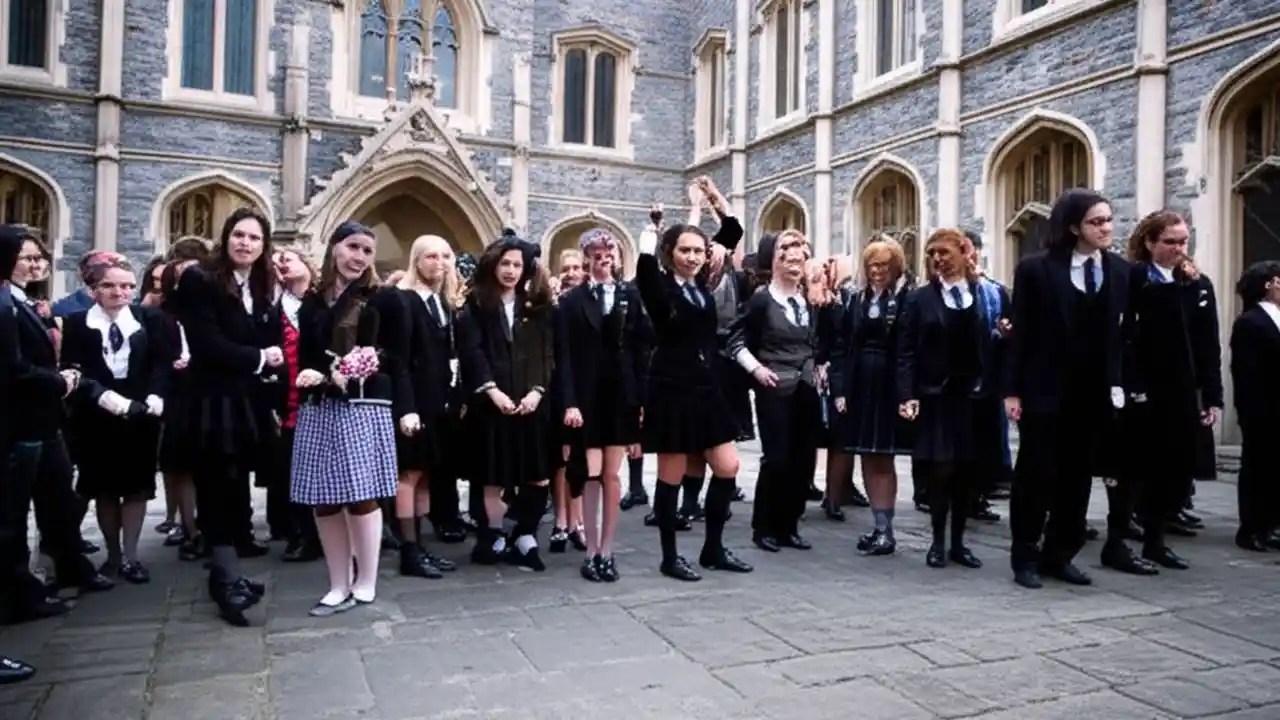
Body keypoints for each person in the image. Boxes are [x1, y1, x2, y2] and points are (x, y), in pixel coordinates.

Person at [1005, 188, 1130, 589]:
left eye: (1109, 220)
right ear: (1074, 226)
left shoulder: (1121, 271)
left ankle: (1059, 554)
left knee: (1077, 479)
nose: (1106, 228)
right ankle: (1024, 555)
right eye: (1097, 222)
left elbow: (1123, 336)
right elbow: (1020, 335)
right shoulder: (1036, 269)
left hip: (1092, 394)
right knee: (1035, 475)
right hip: (1044, 390)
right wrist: (1013, 391)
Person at [634, 178, 752, 581]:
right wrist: (649, 238)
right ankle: (669, 556)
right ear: (671, 253)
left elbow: (732, 232)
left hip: (706, 387)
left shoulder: (704, 282)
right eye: (684, 250)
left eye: (698, 251)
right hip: (671, 387)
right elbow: (645, 268)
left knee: (727, 466)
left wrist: (714, 198)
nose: (693, 257)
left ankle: (713, 548)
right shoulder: (659, 287)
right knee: (670, 477)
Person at [174, 207, 282, 625]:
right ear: (226, 237)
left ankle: (229, 571)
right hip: (210, 402)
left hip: (244, 401)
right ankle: (224, 580)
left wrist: (267, 355)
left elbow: (263, 331)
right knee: (216, 487)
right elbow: (207, 344)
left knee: (234, 486)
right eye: (239, 235)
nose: (246, 244)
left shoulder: (258, 283)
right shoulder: (200, 279)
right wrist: (260, 357)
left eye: (255, 238)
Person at [291, 221, 403, 615]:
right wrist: (313, 372)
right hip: (320, 404)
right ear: (335, 248)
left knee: (360, 496)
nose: (359, 257)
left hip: (364, 405)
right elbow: (306, 353)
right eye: (353, 247)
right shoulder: (312, 302)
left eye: (367, 251)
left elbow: (394, 352)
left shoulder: (380, 299)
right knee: (323, 499)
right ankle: (338, 583)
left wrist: (364, 362)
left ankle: (366, 580)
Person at [1106, 211, 1221, 573]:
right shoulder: (1132, 279)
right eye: (1170, 242)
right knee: (1130, 471)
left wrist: (1212, 397)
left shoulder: (1197, 284)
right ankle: (1118, 543)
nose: (1178, 249)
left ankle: (1156, 542)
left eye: (1182, 241)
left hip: (1180, 391)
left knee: (1170, 471)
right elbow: (1119, 338)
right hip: (1140, 390)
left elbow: (1208, 346)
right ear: (1149, 242)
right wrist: (1126, 386)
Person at [61, 255, 171, 584]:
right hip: (97, 418)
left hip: (140, 415)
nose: (118, 292)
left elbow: (161, 363)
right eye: (109, 285)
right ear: (94, 288)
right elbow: (73, 367)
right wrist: (102, 397)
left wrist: (155, 395)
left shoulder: (147, 318)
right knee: (105, 490)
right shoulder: (79, 323)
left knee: (137, 489)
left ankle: (132, 556)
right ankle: (112, 555)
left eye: (125, 286)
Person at [456, 234, 556, 570]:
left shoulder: (538, 306)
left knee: (536, 474)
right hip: (491, 405)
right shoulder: (476, 304)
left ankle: (525, 534)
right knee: (492, 475)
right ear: (493, 264)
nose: (511, 270)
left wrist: (537, 392)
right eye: (506, 264)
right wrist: (492, 391)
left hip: (530, 404)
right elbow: (472, 352)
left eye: (517, 265)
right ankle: (493, 533)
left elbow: (546, 354)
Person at [897, 229, 995, 569]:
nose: (938, 258)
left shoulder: (982, 294)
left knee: (967, 471)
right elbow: (906, 350)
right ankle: (937, 542)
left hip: (973, 396)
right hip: (936, 395)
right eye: (932, 253)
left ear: (963, 251)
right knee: (941, 470)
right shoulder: (920, 298)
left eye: (944, 252)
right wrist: (907, 393)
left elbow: (989, 341)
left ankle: (958, 543)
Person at [557, 227, 650, 581]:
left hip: (620, 395)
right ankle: (591, 548)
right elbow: (563, 356)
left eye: (608, 251)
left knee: (612, 474)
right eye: (596, 252)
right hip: (585, 396)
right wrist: (569, 401)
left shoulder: (631, 296)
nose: (603, 256)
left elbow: (642, 350)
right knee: (591, 473)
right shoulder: (571, 301)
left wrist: (641, 398)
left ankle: (607, 550)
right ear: (586, 257)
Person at [730, 229, 822, 553]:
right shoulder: (761, 300)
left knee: (803, 459)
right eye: (787, 249)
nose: (795, 258)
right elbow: (735, 341)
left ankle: (789, 525)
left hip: (806, 388)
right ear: (776, 258)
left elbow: (819, 343)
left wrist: (820, 368)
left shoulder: (808, 300)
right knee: (778, 457)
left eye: (800, 250)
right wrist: (756, 369)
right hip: (774, 388)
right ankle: (764, 526)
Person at [829, 239, 914, 554]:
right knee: (865, 453)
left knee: (883, 457)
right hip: (859, 386)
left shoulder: (908, 299)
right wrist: (839, 389)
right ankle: (879, 528)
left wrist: (907, 394)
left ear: (896, 267)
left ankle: (887, 529)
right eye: (872, 266)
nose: (878, 272)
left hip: (890, 387)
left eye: (884, 265)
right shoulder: (854, 300)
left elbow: (908, 350)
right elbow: (841, 347)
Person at [392, 234, 466, 578]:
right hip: (414, 403)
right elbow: (400, 359)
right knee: (409, 475)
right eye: (431, 257)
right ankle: (408, 549)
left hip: (438, 403)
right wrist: (406, 408)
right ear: (417, 261)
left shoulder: (443, 302)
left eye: (445, 256)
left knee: (425, 477)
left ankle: (420, 547)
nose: (439, 263)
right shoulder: (403, 300)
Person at [1229, 260, 1280, 552]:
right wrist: (1251, 412)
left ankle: (1271, 523)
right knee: (1257, 470)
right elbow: (1247, 373)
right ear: (1270, 284)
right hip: (1262, 410)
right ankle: (1251, 528)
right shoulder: (1251, 322)